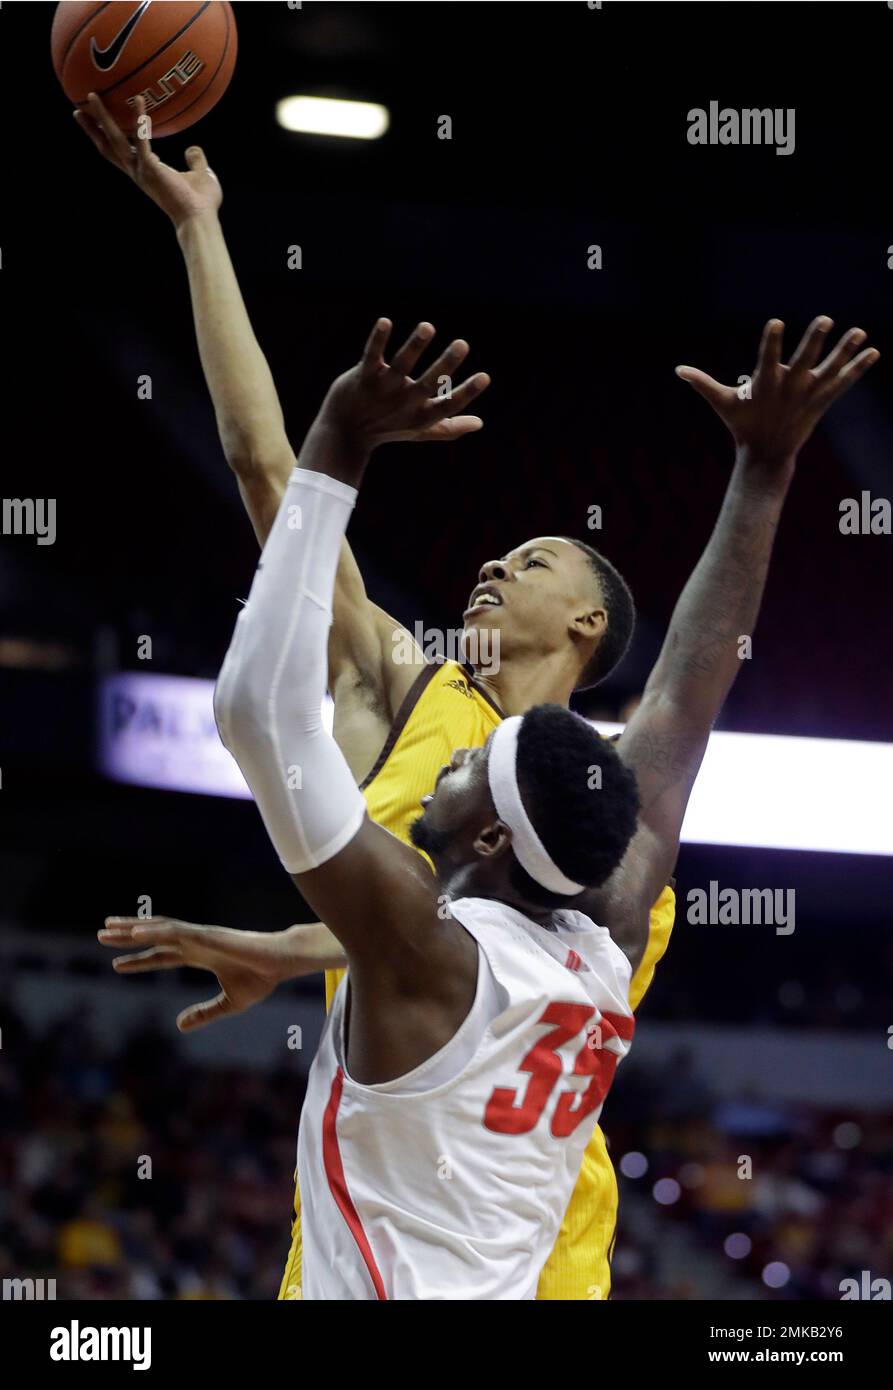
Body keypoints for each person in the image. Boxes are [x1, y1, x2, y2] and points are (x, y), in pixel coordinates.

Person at [80, 94, 879, 1297]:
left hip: (531, 1211)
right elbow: (266, 472)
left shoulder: (592, 814)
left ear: (588, 625)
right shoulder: (451, 710)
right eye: (500, 550)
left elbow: (431, 944)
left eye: (540, 557)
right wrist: (199, 226)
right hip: (424, 1167)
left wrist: (291, 948)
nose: (499, 562)